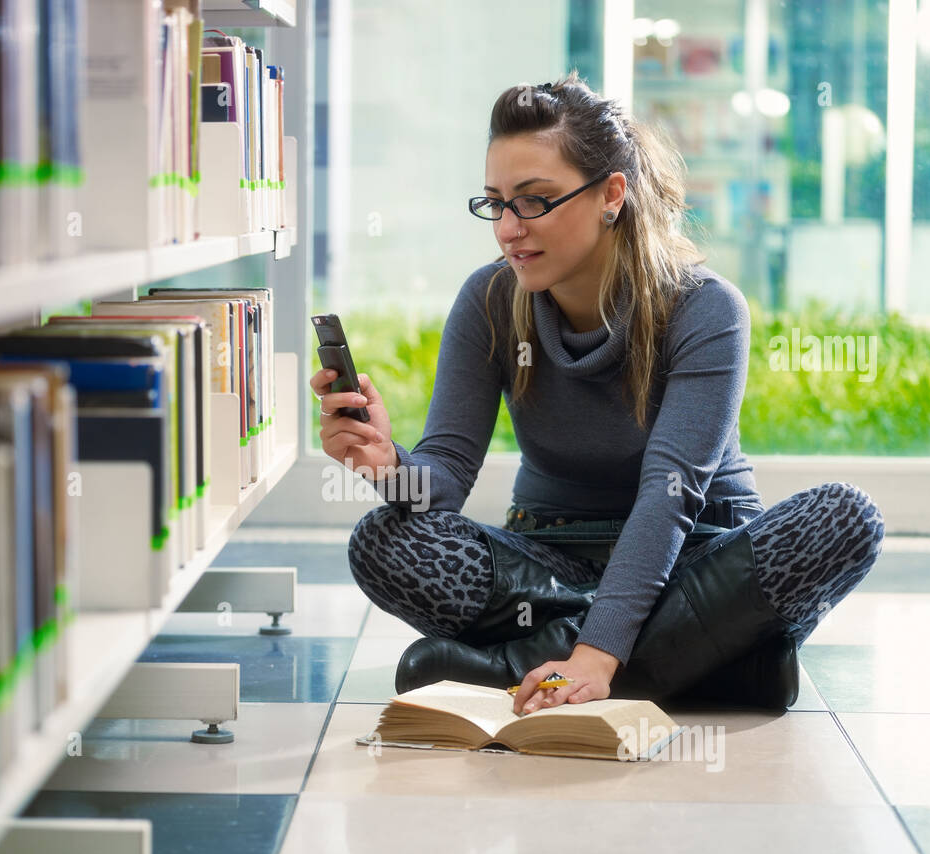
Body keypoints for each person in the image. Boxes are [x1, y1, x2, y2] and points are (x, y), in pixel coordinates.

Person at [312, 73, 884, 720]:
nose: (507, 228)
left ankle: (519, 665)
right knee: (383, 543)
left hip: (695, 558)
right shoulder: (490, 301)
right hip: (549, 566)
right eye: (495, 202)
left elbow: (669, 496)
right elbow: (441, 483)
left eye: (534, 200)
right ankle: (717, 662)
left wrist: (596, 654)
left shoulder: (706, 310)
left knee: (846, 518)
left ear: (612, 194)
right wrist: (389, 465)